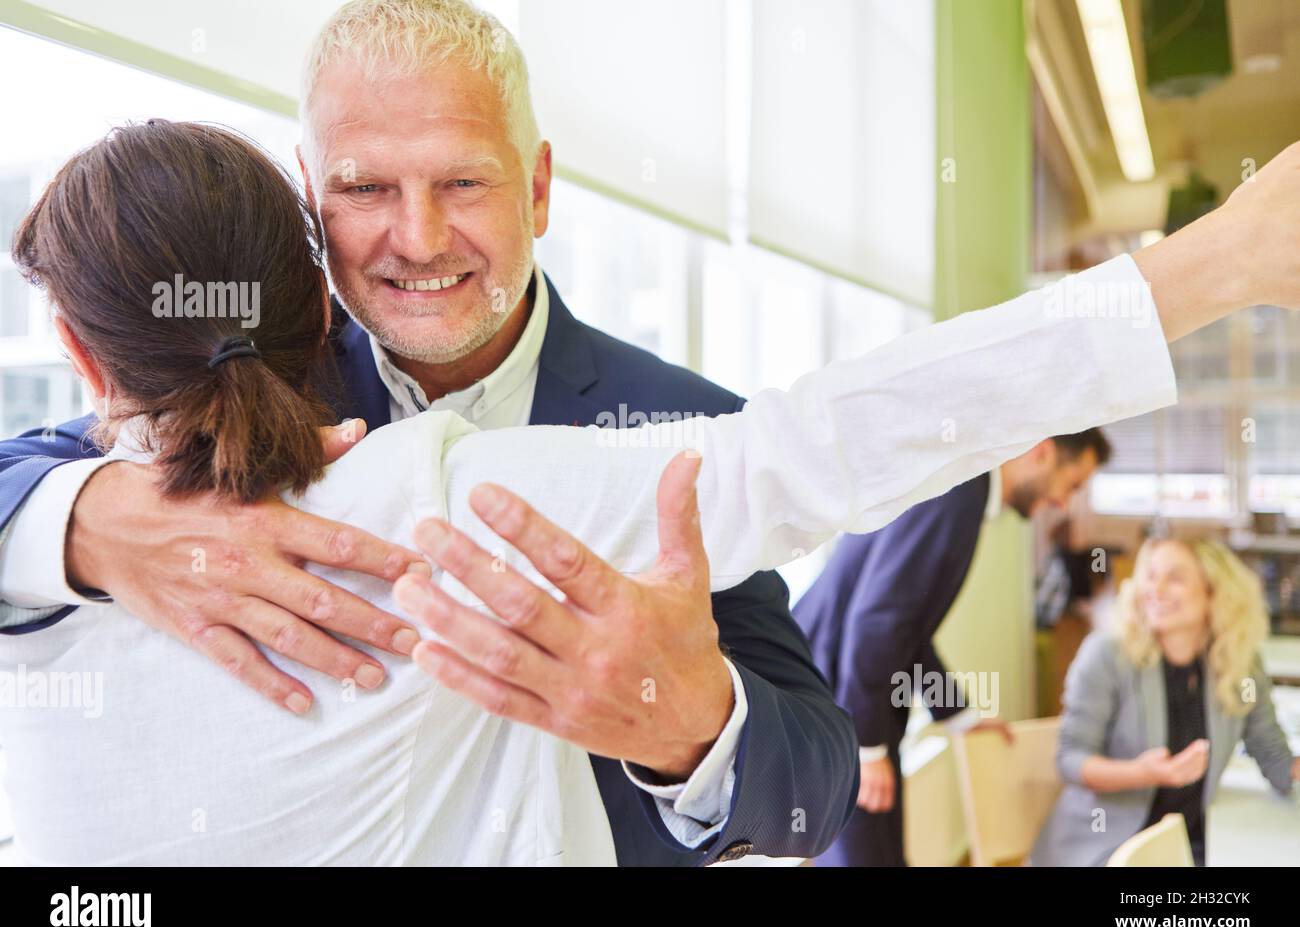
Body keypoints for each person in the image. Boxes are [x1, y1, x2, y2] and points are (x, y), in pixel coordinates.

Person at [2, 0, 1300, 866]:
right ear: (304, 208)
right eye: (364, 191)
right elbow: (849, 434)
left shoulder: (670, 424)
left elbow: (811, 777)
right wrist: (76, 527)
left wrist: (701, 730)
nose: (417, 235)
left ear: (544, 187)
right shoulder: (139, 505)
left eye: (462, 181)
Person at [794, 430, 1111, 866]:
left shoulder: (961, 488)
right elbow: (876, 626)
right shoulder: (959, 492)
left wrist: (960, 717)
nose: (1063, 502)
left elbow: (907, 631)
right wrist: (864, 749)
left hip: (841, 707)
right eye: (1071, 484)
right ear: (1043, 452)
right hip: (835, 711)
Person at [1030, 538, 1300, 866]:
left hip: (1187, 847)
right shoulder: (1106, 655)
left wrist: (1290, 770)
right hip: (1105, 846)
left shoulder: (1240, 664)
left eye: (1174, 577)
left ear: (1214, 591)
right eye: (1150, 575)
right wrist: (1142, 773)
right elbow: (1071, 759)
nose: (1155, 589)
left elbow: (1272, 754)